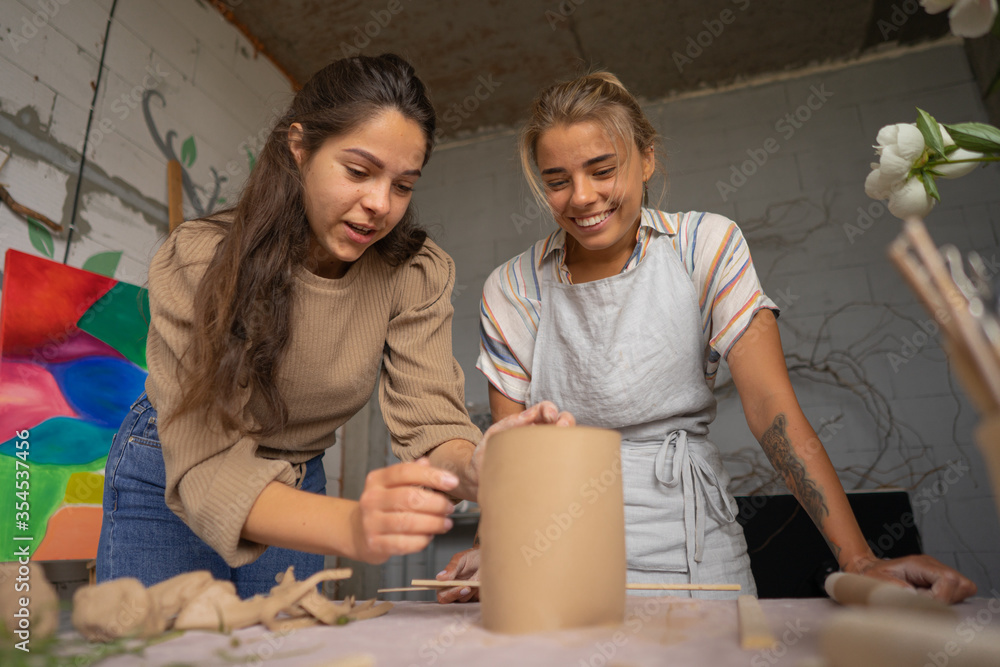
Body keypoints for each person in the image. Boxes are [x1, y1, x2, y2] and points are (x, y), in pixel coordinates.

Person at [436, 71, 978, 603]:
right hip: (557, 547)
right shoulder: (512, 286)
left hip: (692, 544)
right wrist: (493, 546)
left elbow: (770, 406)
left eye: (603, 170)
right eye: (557, 181)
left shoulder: (705, 245)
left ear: (646, 158)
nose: (581, 197)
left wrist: (859, 559)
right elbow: (509, 452)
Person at [95, 54, 571, 599]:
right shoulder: (203, 259)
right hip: (172, 470)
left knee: (282, 652)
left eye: (402, 185)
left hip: (297, 479)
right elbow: (204, 468)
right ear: (299, 148)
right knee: (160, 651)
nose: (378, 205)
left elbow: (432, 422)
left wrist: (475, 468)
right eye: (359, 171)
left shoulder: (415, 272)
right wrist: (353, 525)